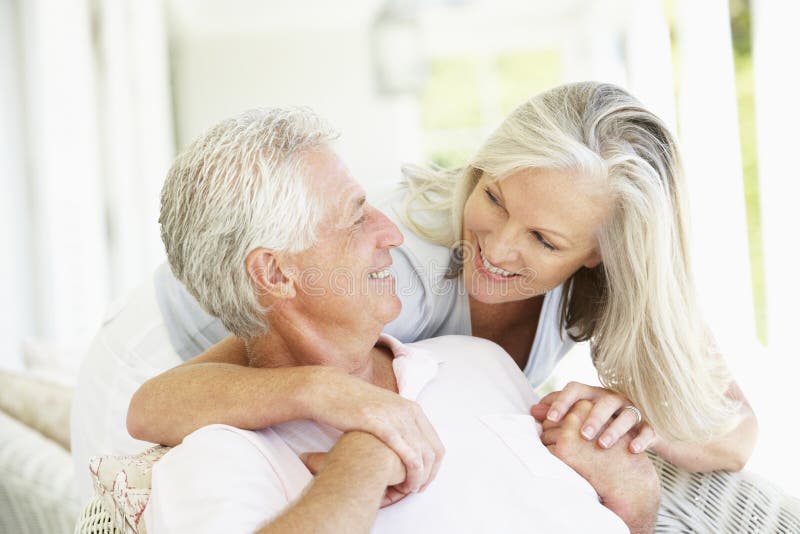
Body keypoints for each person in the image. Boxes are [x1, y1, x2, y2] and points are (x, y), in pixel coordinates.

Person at [70, 82, 756, 503]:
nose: (497, 244)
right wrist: (328, 392)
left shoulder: (623, 269)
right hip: (166, 341)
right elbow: (155, 404)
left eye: (545, 241)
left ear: (604, 256)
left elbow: (735, 430)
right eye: (492, 196)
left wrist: (644, 420)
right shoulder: (399, 271)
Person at [142, 107, 659, 533]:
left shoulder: (479, 362)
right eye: (356, 218)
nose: (392, 230)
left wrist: (634, 485)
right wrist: (362, 460)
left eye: (545, 240)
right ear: (275, 273)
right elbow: (149, 405)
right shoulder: (219, 456)